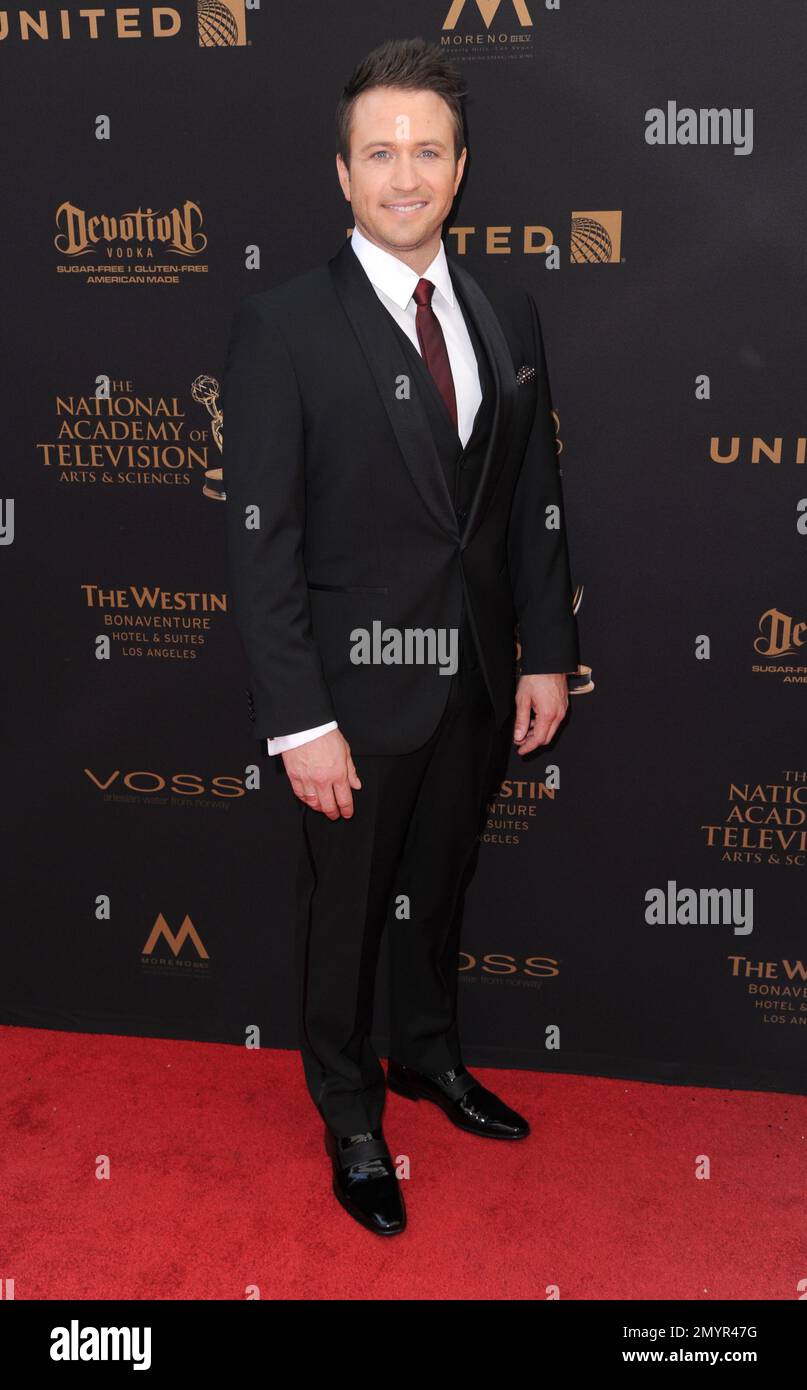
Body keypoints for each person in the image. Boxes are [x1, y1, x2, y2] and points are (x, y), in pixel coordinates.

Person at [222, 36, 580, 1237]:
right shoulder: (284, 328)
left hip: (476, 678)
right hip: (350, 703)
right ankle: (350, 1110)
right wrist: (299, 720)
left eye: (428, 150)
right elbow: (260, 543)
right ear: (343, 174)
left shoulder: (504, 308)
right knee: (350, 911)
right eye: (382, 152)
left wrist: (542, 652)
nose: (407, 173)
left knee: (444, 884)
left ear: (462, 165)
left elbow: (530, 500)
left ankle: (427, 1054)